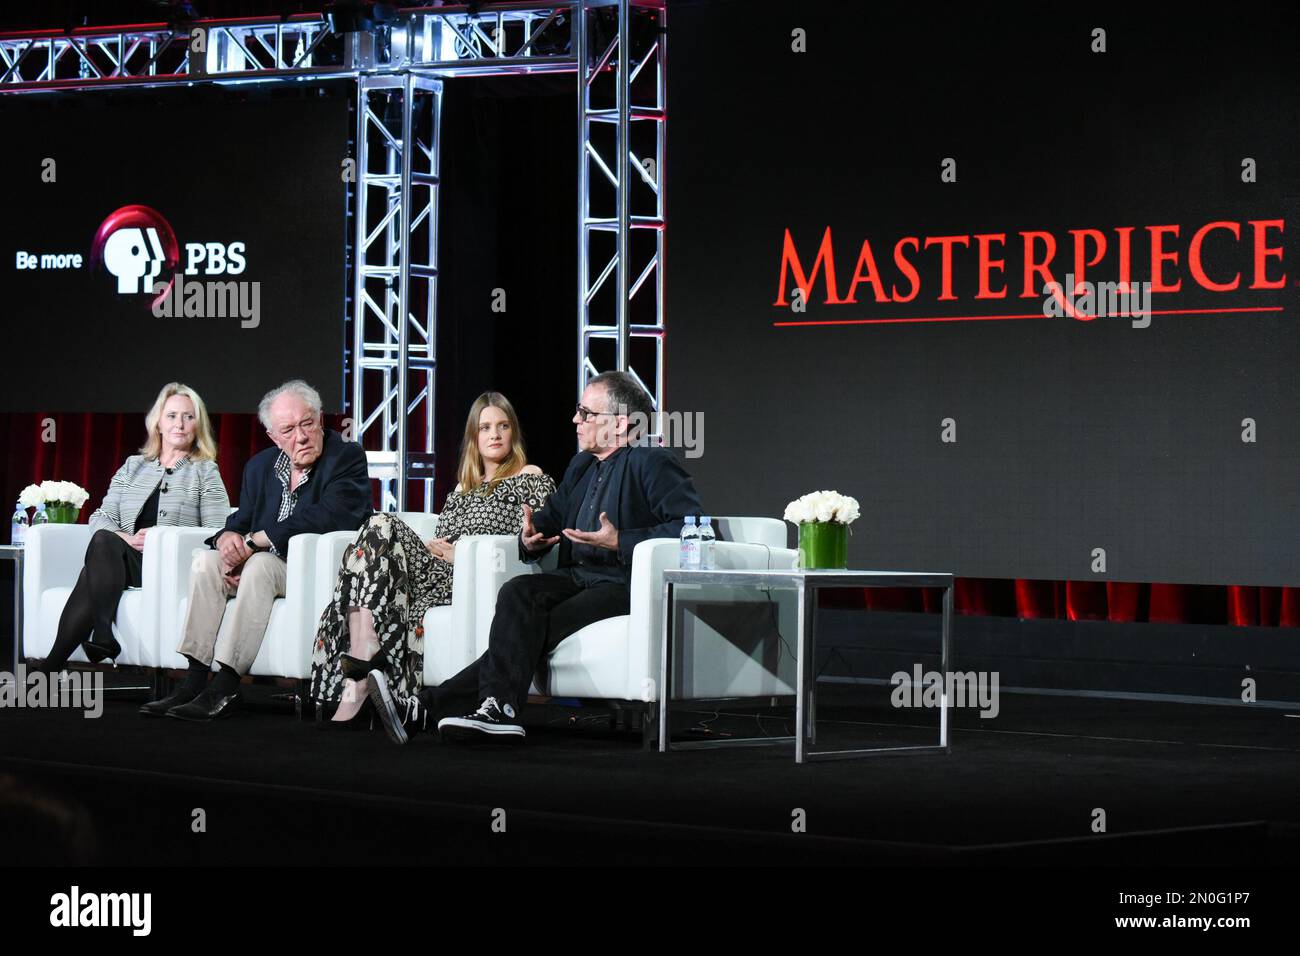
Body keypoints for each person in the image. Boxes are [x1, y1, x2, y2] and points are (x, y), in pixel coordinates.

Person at [368, 370, 701, 744]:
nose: (576, 420)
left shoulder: (651, 462)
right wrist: (530, 538)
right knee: (517, 591)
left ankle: (451, 708)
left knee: (534, 625)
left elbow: (693, 528)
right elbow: (546, 522)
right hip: (578, 577)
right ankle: (476, 709)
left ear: (620, 423)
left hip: (623, 582)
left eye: (586, 413)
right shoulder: (581, 467)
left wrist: (620, 540)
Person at [310, 391, 556, 726]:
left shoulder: (529, 475)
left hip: (474, 578)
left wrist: (464, 556)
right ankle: (363, 654)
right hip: (436, 570)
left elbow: (537, 537)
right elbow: (443, 538)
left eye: (502, 426)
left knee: (380, 524)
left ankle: (363, 663)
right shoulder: (461, 488)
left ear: (513, 432)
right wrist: (431, 549)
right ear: (474, 436)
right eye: (485, 428)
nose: (494, 434)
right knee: (375, 528)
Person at [140, 379, 371, 721]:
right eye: (288, 430)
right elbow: (241, 518)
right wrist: (228, 539)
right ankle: (194, 679)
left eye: (307, 423)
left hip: (311, 569)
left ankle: (228, 684)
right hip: (262, 563)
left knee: (261, 564)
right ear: (274, 436)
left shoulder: (346, 457)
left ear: (320, 419)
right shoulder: (260, 466)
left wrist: (255, 541)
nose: (301, 437)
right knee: (207, 562)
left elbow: (329, 515)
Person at [33, 383, 230, 673]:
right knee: (103, 540)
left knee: (94, 566)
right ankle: (95, 639)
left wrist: (161, 537)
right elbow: (101, 516)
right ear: (158, 423)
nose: (180, 424)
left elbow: (218, 529)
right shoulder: (133, 466)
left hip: (169, 564)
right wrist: (124, 537)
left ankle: (66, 657)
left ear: (197, 425)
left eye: (189, 417)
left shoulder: (205, 471)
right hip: (124, 558)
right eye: (172, 416)